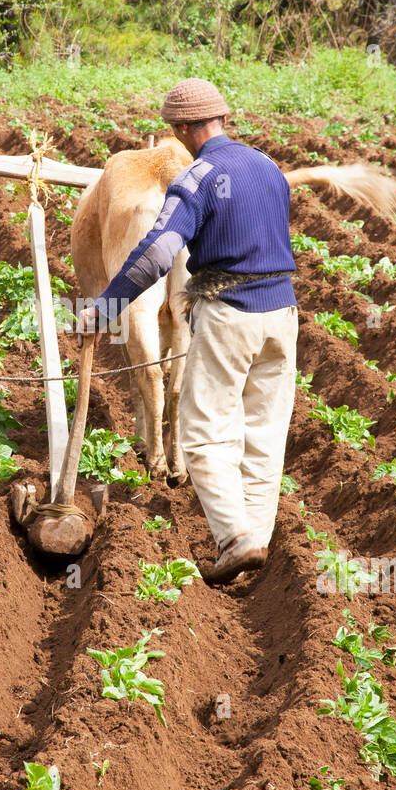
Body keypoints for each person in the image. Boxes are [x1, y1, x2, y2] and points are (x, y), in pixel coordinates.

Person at [76, 77, 298, 586]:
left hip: (229, 314)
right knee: (263, 434)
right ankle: (255, 541)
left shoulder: (195, 178)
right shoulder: (268, 168)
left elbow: (157, 253)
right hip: (283, 314)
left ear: (180, 129)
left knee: (202, 434)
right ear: (223, 119)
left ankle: (235, 539)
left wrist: (105, 306)